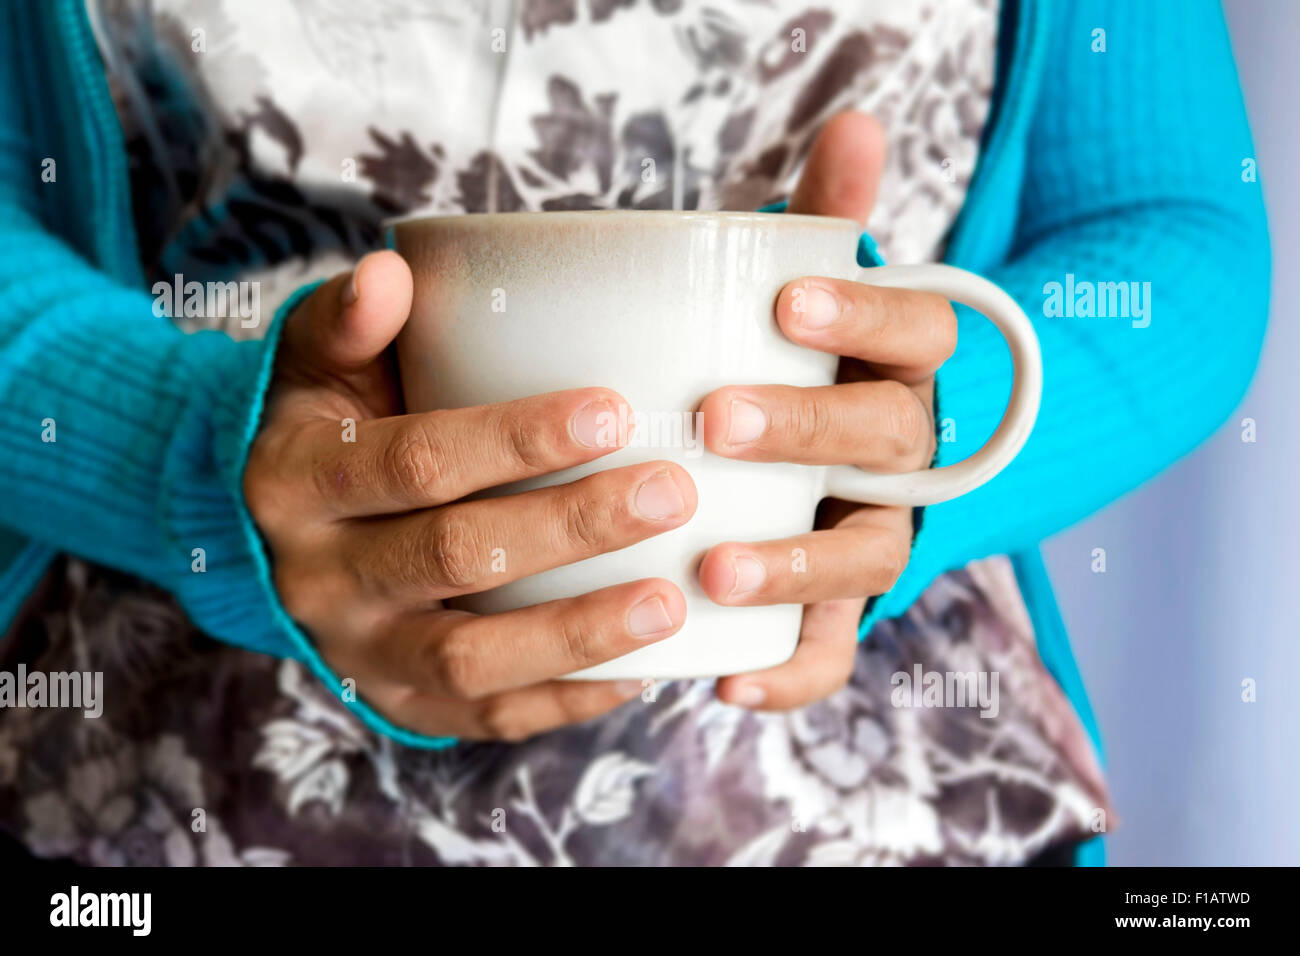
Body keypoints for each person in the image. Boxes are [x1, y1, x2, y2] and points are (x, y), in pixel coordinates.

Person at [0, 0, 1267, 866]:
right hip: (150, 801)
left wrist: (912, 431)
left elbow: (1178, 229)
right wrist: (191, 451)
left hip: (886, 804)